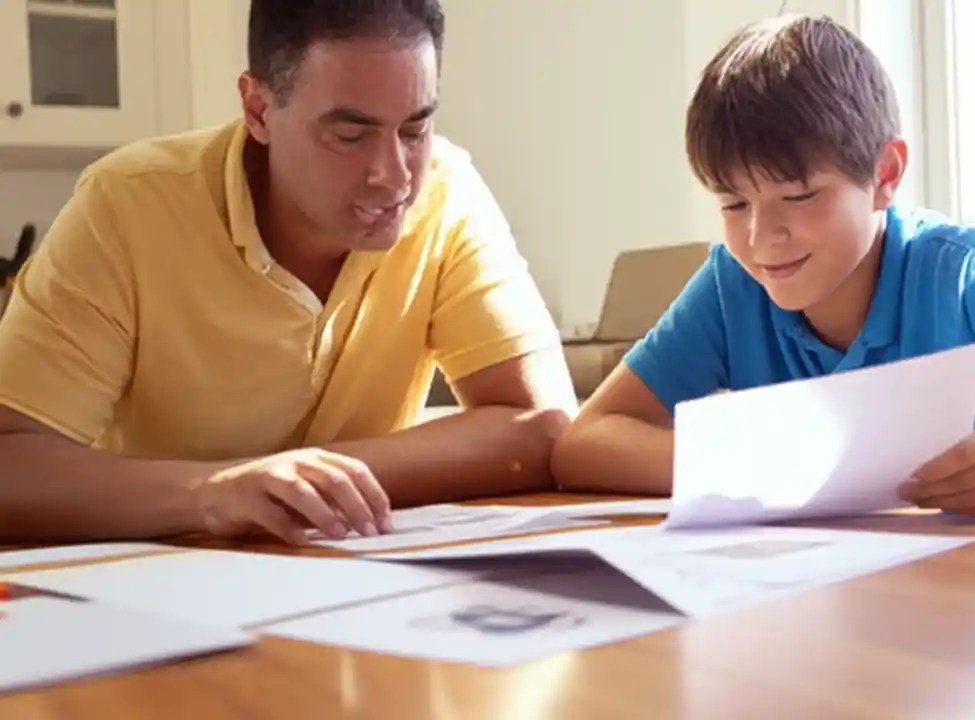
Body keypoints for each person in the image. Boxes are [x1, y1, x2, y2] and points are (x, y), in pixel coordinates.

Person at [551, 15, 975, 517]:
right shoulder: (733, 287)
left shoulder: (970, 284)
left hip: (974, 619)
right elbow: (582, 445)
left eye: (800, 196)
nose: (761, 237)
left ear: (885, 174)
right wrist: (747, 462)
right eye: (732, 203)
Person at [0, 0, 577, 545]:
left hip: (361, 587)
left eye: (414, 129)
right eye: (350, 135)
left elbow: (542, 423)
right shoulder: (126, 205)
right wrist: (209, 494)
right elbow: (12, 460)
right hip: (157, 581)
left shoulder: (447, 192)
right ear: (258, 110)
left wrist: (304, 484)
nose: (394, 174)